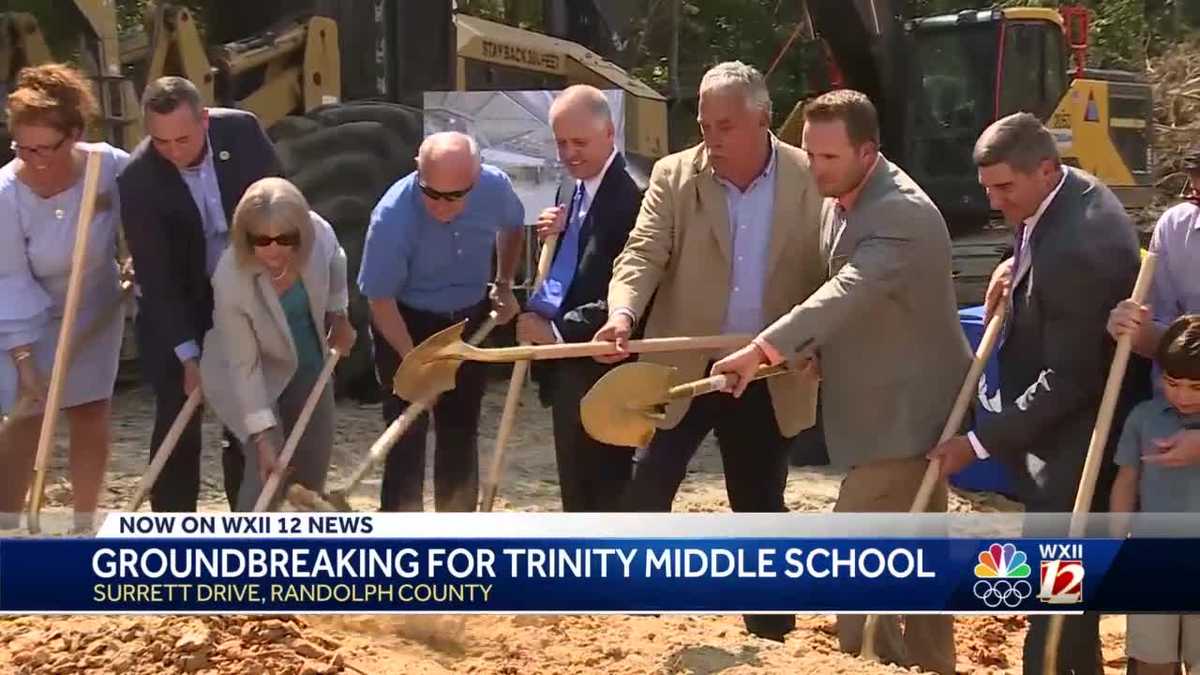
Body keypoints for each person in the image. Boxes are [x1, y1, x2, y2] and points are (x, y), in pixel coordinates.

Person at [711, 89, 968, 674]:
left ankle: (866, 660)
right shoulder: (839, 195)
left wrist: (763, 348)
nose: (814, 167)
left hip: (911, 413)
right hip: (878, 408)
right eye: (808, 153)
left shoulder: (900, 211)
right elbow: (851, 306)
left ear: (868, 152)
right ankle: (931, 665)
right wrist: (813, 350)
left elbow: (848, 289)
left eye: (828, 157)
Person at [594, 61, 824, 641]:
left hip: (768, 371)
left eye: (725, 125)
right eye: (703, 124)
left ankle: (772, 636)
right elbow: (643, 254)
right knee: (648, 489)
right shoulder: (675, 177)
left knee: (759, 503)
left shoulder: (812, 178)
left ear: (763, 121)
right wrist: (621, 312)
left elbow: (834, 274)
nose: (711, 137)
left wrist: (818, 344)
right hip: (683, 370)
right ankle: (633, 628)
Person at [926, 112, 1141, 675]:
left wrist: (977, 445)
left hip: (1076, 441)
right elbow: (1033, 245)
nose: (996, 203)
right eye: (988, 188)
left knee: (1056, 589)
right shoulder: (1060, 195)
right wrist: (1010, 265)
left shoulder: (1080, 243)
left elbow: (1070, 378)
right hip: (1053, 430)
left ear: (1045, 169)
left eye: (1005, 188)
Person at [118, 76, 282, 512]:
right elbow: (157, 278)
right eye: (161, 141)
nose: (172, 151)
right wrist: (190, 358)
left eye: (183, 139)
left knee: (245, 415)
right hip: (178, 303)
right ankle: (171, 530)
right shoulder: (137, 179)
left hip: (247, 293)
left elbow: (283, 208)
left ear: (205, 120)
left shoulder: (244, 134)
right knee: (177, 414)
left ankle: (247, 521)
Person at [359, 131, 524, 512]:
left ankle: (456, 525)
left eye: (455, 196)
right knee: (407, 431)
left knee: (460, 427)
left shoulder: (494, 187)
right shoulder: (391, 218)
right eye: (431, 193)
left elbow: (512, 227)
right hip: (406, 321)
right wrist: (417, 364)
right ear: (418, 171)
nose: (442, 206)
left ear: (476, 178)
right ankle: (401, 531)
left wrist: (503, 282)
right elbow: (380, 302)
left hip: (468, 318)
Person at [0, 64, 130, 531]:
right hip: (23, 316)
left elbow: (140, 217)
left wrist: (133, 256)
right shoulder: (5, 194)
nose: (32, 158)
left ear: (74, 134)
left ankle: (82, 525)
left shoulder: (108, 166)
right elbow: (8, 278)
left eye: (44, 148)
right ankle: (8, 527)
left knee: (89, 409)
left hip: (94, 304)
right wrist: (23, 360)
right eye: (22, 147)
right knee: (25, 415)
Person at [516, 85, 642, 512]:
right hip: (566, 366)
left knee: (605, 492)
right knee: (575, 493)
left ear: (609, 133)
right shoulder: (571, 191)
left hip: (604, 364)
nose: (569, 153)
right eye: (561, 142)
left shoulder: (633, 197)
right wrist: (557, 233)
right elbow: (570, 266)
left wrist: (554, 329)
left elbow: (630, 288)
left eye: (580, 142)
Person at [199, 178, 355, 511]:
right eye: (262, 241)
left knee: (311, 468)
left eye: (286, 239)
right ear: (246, 237)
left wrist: (338, 314)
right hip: (249, 370)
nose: (274, 250)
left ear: (301, 232)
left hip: (309, 360)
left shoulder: (319, 234)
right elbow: (245, 365)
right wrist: (263, 435)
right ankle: (248, 550)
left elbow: (337, 261)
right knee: (266, 475)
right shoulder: (230, 277)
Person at [1110, 314, 1200, 675]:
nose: (1182, 396)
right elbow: (1126, 481)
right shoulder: (1144, 418)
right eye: (1172, 382)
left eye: (1196, 387)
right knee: (1151, 659)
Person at [1106, 150, 1200, 468]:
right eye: (1197, 194)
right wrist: (1135, 332)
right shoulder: (1176, 228)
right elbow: (1167, 344)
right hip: (1171, 421)